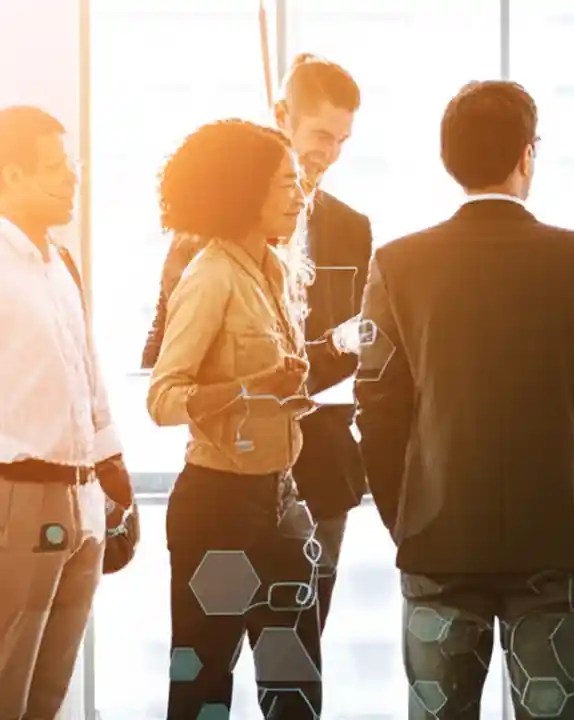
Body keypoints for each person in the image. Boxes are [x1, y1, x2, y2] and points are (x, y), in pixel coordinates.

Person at [354, 80, 574, 720]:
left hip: (438, 540)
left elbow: (376, 407)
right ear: (526, 155)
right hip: (555, 537)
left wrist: (408, 518)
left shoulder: (398, 264)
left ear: (448, 157)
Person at [142, 53, 371, 637]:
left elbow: (352, 341)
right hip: (233, 470)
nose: (329, 155)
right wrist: (262, 382)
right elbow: (168, 360)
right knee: (210, 655)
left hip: (319, 466)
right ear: (282, 115)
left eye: (342, 141)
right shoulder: (205, 242)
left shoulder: (352, 227)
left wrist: (343, 350)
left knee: (295, 652)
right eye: (321, 136)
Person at [147, 119, 323, 718]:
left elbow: (269, 383)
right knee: (203, 689)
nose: (300, 196)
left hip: (281, 499)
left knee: (295, 686)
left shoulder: (275, 270)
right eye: (286, 183)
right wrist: (252, 387)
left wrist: (287, 387)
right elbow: (164, 399)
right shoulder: (210, 276)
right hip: (219, 510)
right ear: (245, 190)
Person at [0, 105, 134, 720]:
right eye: (54, 167)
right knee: (8, 679)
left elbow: (87, 367)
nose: (73, 177)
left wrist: (112, 464)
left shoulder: (60, 263)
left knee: (51, 689)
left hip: (82, 496)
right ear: (10, 174)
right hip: (18, 493)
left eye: (70, 163)